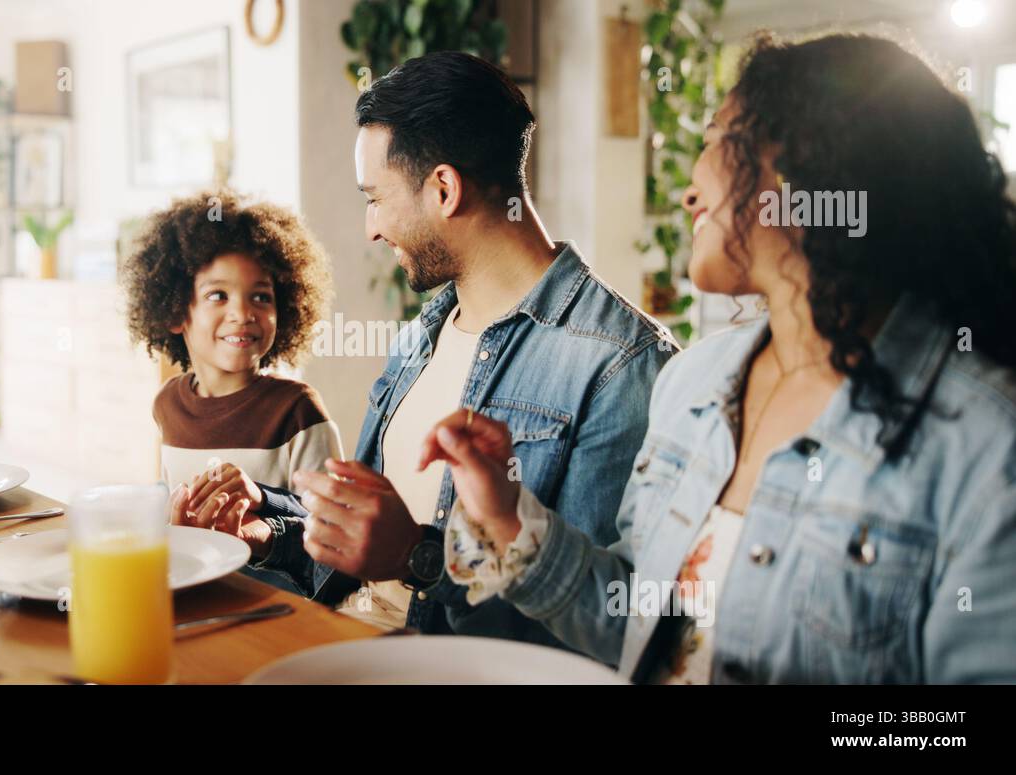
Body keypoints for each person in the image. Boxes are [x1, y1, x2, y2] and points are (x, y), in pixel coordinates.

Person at [423, 33, 1016, 682]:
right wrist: (510, 517)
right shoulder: (695, 383)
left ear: (798, 162)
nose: (688, 193)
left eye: (714, 138)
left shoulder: (986, 447)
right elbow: (644, 625)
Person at [185, 51, 675, 639]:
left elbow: (607, 626)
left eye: (375, 198)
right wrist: (267, 530)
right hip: (340, 638)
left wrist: (420, 558)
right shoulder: (423, 334)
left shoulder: (619, 364)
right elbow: (363, 548)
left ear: (443, 189)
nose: (370, 228)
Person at [123, 189, 343, 550]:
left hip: (276, 600)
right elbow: (167, 502)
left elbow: (333, 532)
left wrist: (261, 520)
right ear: (176, 311)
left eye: (261, 296)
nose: (242, 314)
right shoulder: (166, 404)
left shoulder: (298, 411)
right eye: (218, 296)